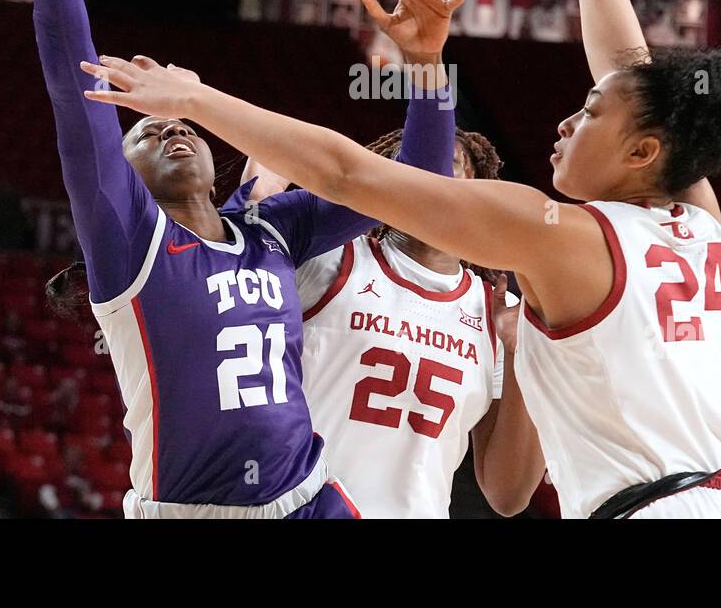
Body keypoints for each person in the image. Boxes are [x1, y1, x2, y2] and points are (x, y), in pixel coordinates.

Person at [79, 0, 721, 519]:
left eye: (589, 112)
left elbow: (350, 174)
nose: (569, 118)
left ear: (641, 152)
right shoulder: (698, 222)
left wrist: (195, 99)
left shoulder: (557, 234)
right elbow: (636, 73)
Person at [7, 0, 458, 519]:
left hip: (310, 499)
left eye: (180, 120)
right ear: (122, 175)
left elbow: (422, 191)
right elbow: (67, 79)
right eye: (147, 131)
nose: (172, 126)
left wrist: (427, 71)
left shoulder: (274, 231)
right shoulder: (127, 246)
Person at [228, 126, 545, 518]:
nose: (427, 172)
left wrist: (522, 355)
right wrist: (255, 207)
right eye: (412, 162)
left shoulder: (502, 311)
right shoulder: (329, 259)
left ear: (478, 190)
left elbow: (508, 495)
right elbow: (236, 272)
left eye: (448, 163)